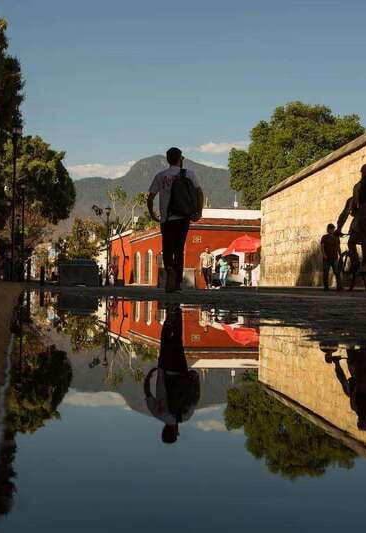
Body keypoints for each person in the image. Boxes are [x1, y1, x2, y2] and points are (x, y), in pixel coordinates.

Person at [147, 147, 204, 293]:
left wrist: (152, 213)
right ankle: (177, 282)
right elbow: (199, 192)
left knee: (167, 249)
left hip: (166, 219)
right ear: (180, 159)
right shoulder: (189, 174)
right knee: (179, 250)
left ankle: (170, 270)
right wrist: (199, 211)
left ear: (168, 160)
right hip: (183, 217)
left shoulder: (160, 176)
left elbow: (150, 197)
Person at [144, 304, 200, 444]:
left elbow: (195, 398)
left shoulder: (185, 417)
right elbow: (148, 393)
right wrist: (149, 376)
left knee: (178, 342)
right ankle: (170, 312)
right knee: (166, 340)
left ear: (174, 431)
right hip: (165, 371)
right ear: (163, 430)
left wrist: (194, 378)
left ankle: (178, 311)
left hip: (181, 372)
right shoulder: (159, 414)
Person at [328, 346, 366, 431]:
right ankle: (365, 338)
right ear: (359, 420)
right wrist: (337, 364)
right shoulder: (355, 407)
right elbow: (346, 383)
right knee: (365, 351)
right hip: (363, 383)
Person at [321, 223, 343, 291]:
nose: (332, 230)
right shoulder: (324, 237)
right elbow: (322, 246)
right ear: (328, 229)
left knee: (337, 272)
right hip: (327, 258)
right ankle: (326, 287)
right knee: (326, 273)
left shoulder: (336, 237)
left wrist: (340, 255)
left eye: (333, 229)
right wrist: (324, 254)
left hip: (334, 258)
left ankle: (339, 287)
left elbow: (338, 247)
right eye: (330, 229)